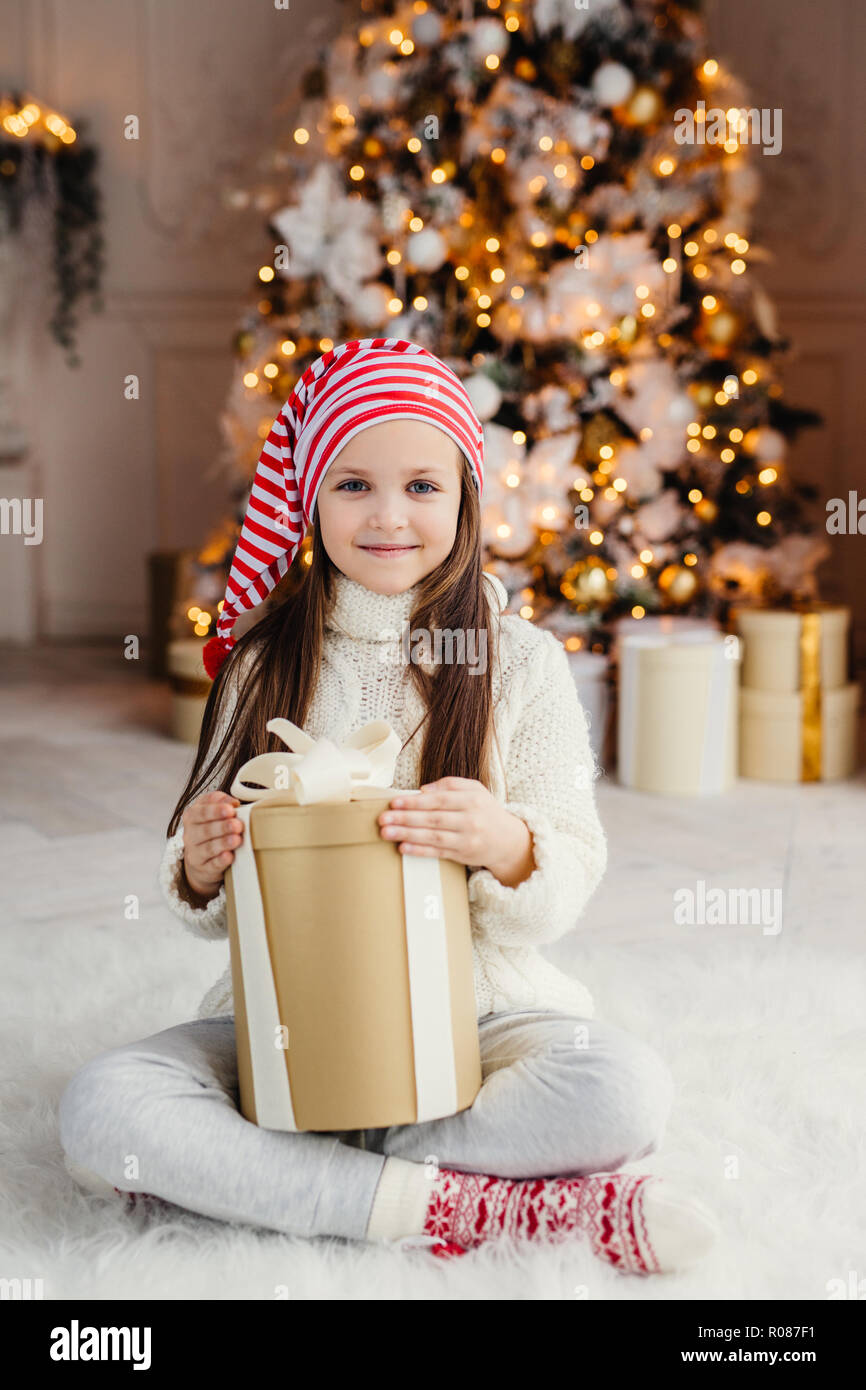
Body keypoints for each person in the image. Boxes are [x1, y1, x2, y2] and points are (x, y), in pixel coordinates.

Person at [59, 337, 719, 1272]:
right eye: (353, 485)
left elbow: (570, 863)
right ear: (310, 500)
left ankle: (289, 1175)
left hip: (480, 1020)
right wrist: (200, 864)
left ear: (464, 498)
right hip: (291, 1017)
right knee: (103, 1107)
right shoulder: (263, 663)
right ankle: (479, 1207)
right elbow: (198, 878)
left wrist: (504, 842)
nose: (388, 517)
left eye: (421, 486)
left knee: (623, 1091)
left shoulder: (521, 662)